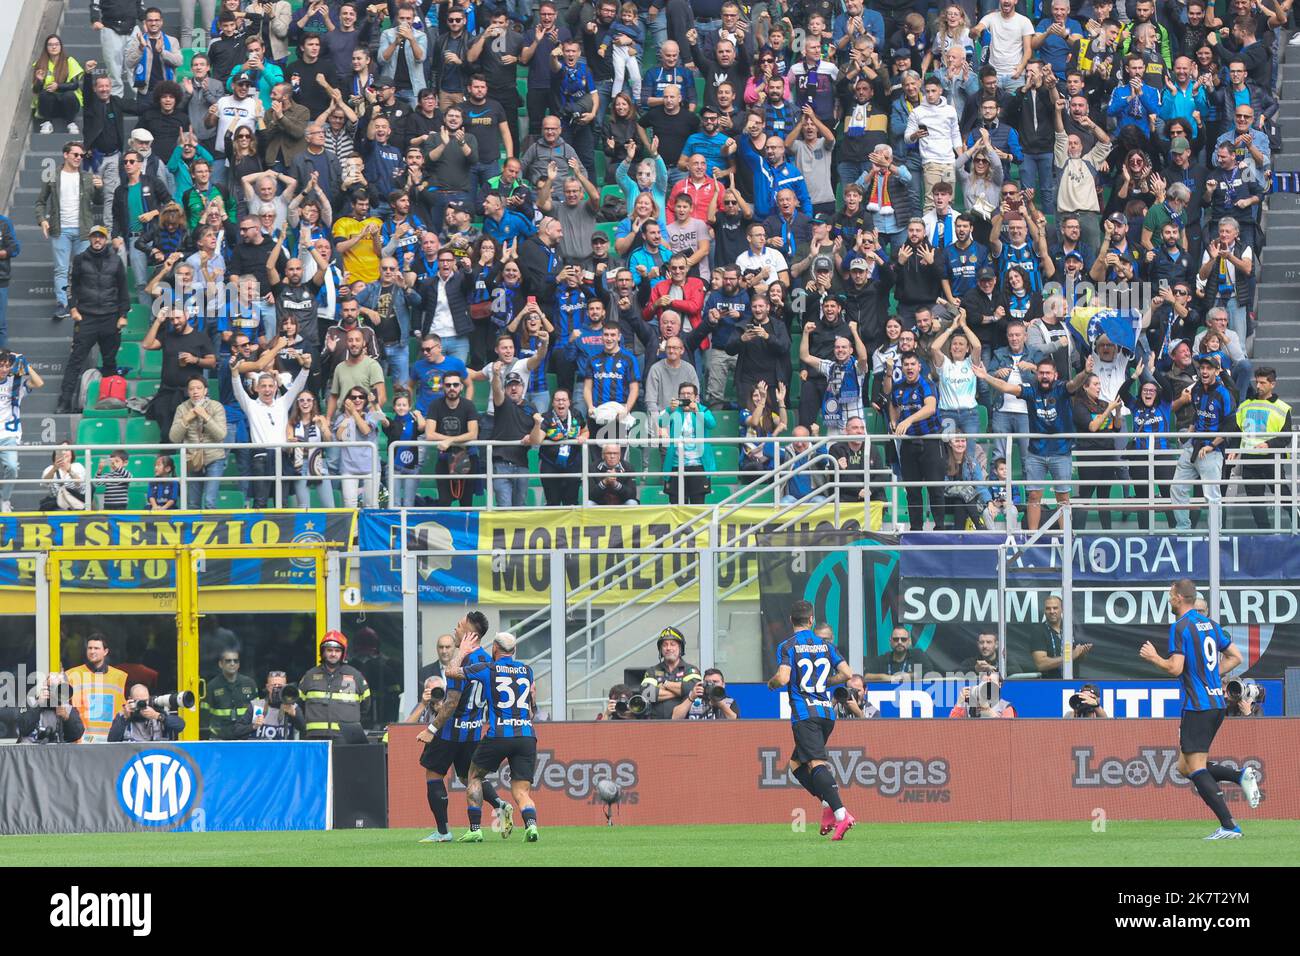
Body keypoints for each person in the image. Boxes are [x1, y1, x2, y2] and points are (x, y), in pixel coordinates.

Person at [1139, 578, 1261, 839]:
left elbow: (1175, 668)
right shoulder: (1211, 625)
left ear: (1180, 598)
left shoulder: (1180, 627)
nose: (1169, 598)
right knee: (1184, 768)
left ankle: (1229, 825)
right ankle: (1239, 776)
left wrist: (1154, 658)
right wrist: (1211, 678)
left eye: (1171, 594)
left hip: (1197, 706)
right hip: (1216, 704)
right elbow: (1236, 657)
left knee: (1195, 768)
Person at [414, 612, 514, 842]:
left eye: (459, 626)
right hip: (472, 732)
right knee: (469, 778)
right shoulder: (488, 662)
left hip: (450, 731)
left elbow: (451, 703)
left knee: (433, 775)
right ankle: (500, 804)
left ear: (470, 634)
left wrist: (431, 729)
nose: (455, 629)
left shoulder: (462, 661)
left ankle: (442, 832)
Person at [766, 601, 855, 840]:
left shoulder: (788, 646)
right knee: (796, 766)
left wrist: (771, 683)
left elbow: (783, 678)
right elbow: (848, 674)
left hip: (805, 715)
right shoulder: (826, 645)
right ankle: (828, 805)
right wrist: (824, 682)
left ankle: (840, 814)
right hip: (827, 713)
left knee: (816, 764)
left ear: (791, 621)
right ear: (811, 620)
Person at [974, 354, 1091, 530]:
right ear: (1037, 374)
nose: (1044, 376)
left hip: (1061, 451)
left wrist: (1086, 372)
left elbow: (1074, 383)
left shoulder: (1061, 388)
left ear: (1055, 375)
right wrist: (986, 376)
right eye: (1041, 373)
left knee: (1063, 498)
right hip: (1036, 453)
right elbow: (1007, 387)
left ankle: (1066, 537)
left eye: (1048, 373)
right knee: (1034, 496)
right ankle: (1032, 540)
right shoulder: (1031, 389)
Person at [447, 630, 541, 842]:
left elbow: (451, 672)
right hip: (526, 735)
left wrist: (462, 652)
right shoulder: (527, 670)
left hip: (498, 734)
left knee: (474, 776)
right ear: (514, 650)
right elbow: (532, 705)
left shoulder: (487, 669)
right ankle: (531, 826)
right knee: (522, 792)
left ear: (494, 649)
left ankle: (475, 829)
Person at [57, 225, 128, 415]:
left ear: (105, 239)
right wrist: (72, 308)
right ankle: (64, 402)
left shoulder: (116, 260)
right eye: (94, 237)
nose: (98, 240)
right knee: (75, 361)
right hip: (86, 317)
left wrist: (123, 315)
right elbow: (71, 285)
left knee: (110, 362)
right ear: (89, 238)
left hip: (110, 317)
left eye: (101, 237)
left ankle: (111, 400)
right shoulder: (80, 259)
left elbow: (123, 290)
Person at [1169, 356, 1235, 531]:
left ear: (1216, 371)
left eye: (1208, 368)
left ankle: (1215, 536)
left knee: (1212, 496)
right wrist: (1189, 434)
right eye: (1202, 368)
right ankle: (1183, 530)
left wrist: (1212, 445)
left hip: (1211, 452)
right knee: (1177, 488)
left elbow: (1230, 425)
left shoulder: (1224, 394)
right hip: (1192, 448)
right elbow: (1197, 415)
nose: (1204, 371)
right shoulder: (1197, 389)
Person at [298, 630, 370, 742]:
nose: (333, 654)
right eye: (329, 650)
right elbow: (299, 705)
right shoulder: (310, 676)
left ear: (343, 653)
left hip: (345, 738)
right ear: (323, 652)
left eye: (337, 650)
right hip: (315, 738)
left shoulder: (355, 676)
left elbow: (365, 706)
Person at [170, 375, 228, 510]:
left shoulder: (216, 406)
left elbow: (221, 435)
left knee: (209, 501)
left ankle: (212, 531)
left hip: (214, 457)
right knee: (193, 503)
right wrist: (186, 419)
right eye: (191, 389)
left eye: (199, 388)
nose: (195, 392)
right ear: (188, 392)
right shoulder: (182, 408)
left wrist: (205, 416)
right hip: (192, 458)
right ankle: (193, 531)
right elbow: (174, 438)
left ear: (205, 391)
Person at [0, 351, 43, 513]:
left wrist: (27, 365)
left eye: (7, 365)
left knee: (12, 468)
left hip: (8, 435)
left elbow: (38, 383)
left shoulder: (15, 383)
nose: (4, 369)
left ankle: (4, 499)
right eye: (1, 365)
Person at [64, 633, 127, 743]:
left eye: (96, 648)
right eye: (90, 648)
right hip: (81, 741)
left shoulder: (119, 677)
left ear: (105, 651)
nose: (92, 651)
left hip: (110, 742)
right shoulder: (71, 675)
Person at [658, 382, 715, 504]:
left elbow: (711, 424)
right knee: (676, 506)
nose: (686, 396)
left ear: (695, 397)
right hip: (676, 464)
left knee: (697, 506)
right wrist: (669, 409)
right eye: (683, 393)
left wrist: (697, 411)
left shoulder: (703, 409)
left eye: (689, 393)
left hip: (698, 464)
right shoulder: (674, 410)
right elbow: (660, 422)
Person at [639, 626, 702, 720]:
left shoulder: (691, 670)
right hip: (655, 726)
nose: (668, 648)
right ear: (661, 650)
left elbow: (694, 689)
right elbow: (647, 694)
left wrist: (665, 684)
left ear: (680, 648)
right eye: (665, 645)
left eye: (672, 644)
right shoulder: (652, 671)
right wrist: (682, 692)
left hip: (685, 726)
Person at [201, 645, 259, 739]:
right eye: (228, 661)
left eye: (235, 661)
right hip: (219, 738)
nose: (232, 664)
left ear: (239, 664)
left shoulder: (250, 684)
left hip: (245, 736)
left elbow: (257, 712)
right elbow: (204, 717)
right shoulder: (212, 686)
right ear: (220, 664)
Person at [1030, 594, 1091, 678]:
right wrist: (1070, 656)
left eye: (1055, 608)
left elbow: (1077, 659)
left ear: (1062, 609)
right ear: (1044, 611)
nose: (1052, 611)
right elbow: (1041, 664)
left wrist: (1082, 653)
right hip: (1050, 684)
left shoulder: (1071, 628)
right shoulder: (1039, 631)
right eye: (1048, 608)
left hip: (1072, 682)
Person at [16, 673, 85, 743]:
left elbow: (77, 734)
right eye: (52, 687)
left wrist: (67, 718)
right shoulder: (31, 702)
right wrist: (38, 705)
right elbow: (23, 728)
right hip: (30, 751)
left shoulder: (66, 708)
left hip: (55, 752)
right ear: (45, 687)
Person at [107, 683, 186, 742]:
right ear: (130, 699)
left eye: (145, 701)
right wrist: (124, 717)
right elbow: (111, 741)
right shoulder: (123, 715)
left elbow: (180, 725)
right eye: (139, 701)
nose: (142, 704)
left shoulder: (156, 712)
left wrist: (157, 716)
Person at [864, 626, 939, 682]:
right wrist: (884, 677)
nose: (899, 642)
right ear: (890, 641)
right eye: (896, 639)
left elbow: (929, 672)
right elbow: (865, 676)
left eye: (903, 639)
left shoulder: (917, 655)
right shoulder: (884, 659)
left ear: (909, 641)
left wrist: (907, 676)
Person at [673, 668, 740, 719]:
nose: (712, 685)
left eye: (715, 682)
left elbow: (736, 722)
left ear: (723, 685)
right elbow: (675, 718)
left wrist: (722, 705)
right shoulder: (693, 698)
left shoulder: (729, 701)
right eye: (708, 682)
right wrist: (691, 698)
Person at [41, 444, 88, 512]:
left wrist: (69, 470)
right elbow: (44, 484)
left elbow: (80, 485)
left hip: (76, 503)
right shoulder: (50, 468)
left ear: (71, 455)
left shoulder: (78, 466)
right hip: (57, 505)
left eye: (67, 450)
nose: (64, 452)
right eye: (61, 450)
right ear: (55, 456)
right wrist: (54, 469)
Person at [948, 672, 1017, 718]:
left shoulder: (1006, 707)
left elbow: (1008, 732)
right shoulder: (968, 704)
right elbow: (951, 727)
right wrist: (960, 702)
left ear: (999, 685)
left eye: (990, 681)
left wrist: (987, 710)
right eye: (984, 682)